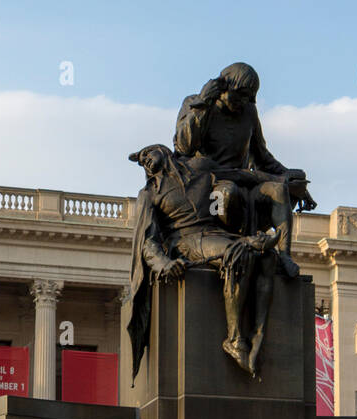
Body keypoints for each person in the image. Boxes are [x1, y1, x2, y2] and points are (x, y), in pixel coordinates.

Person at [127, 143, 278, 378]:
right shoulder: (149, 194)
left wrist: (280, 179)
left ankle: (258, 334)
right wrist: (164, 263)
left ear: (163, 151)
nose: (145, 161)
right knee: (238, 253)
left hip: (216, 234)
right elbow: (148, 241)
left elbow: (241, 175)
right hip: (186, 240)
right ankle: (235, 339)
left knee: (268, 257)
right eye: (141, 161)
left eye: (147, 154)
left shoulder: (200, 168)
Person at [173, 62, 316, 278]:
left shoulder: (248, 111)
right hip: (210, 189)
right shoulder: (196, 103)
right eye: (240, 95)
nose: (245, 102)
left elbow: (262, 156)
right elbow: (184, 148)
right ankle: (235, 245)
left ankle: (285, 256)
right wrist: (203, 103)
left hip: (245, 184)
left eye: (249, 97)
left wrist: (292, 179)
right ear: (223, 87)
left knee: (280, 189)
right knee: (226, 194)